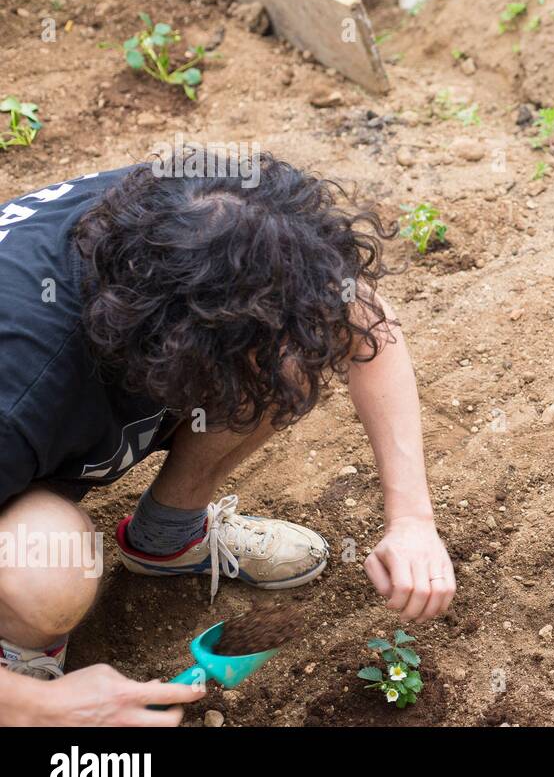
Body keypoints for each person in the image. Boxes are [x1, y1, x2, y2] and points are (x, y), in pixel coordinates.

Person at [0, 153, 455, 724]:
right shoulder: (19, 385)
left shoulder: (199, 217)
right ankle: (20, 654)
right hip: (22, 439)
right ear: (180, 342)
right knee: (49, 571)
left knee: (286, 357)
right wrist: (36, 707)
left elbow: (361, 323)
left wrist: (412, 519)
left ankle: (168, 538)